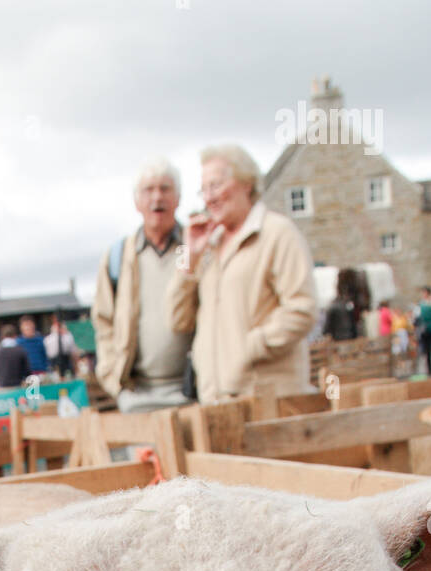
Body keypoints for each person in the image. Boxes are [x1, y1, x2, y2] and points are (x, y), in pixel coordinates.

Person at [169, 145, 316, 405]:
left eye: (216, 186)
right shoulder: (208, 248)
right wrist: (187, 254)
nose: (209, 198)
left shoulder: (278, 233)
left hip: (268, 402)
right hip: (215, 402)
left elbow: (302, 309)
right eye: (204, 190)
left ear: (246, 183)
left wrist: (250, 347)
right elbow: (176, 318)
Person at [93, 158, 192, 412]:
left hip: (191, 393)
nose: (157, 197)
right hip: (138, 396)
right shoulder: (119, 256)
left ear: (178, 199)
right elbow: (103, 322)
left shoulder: (192, 248)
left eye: (165, 189)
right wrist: (113, 379)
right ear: (137, 202)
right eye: (149, 190)